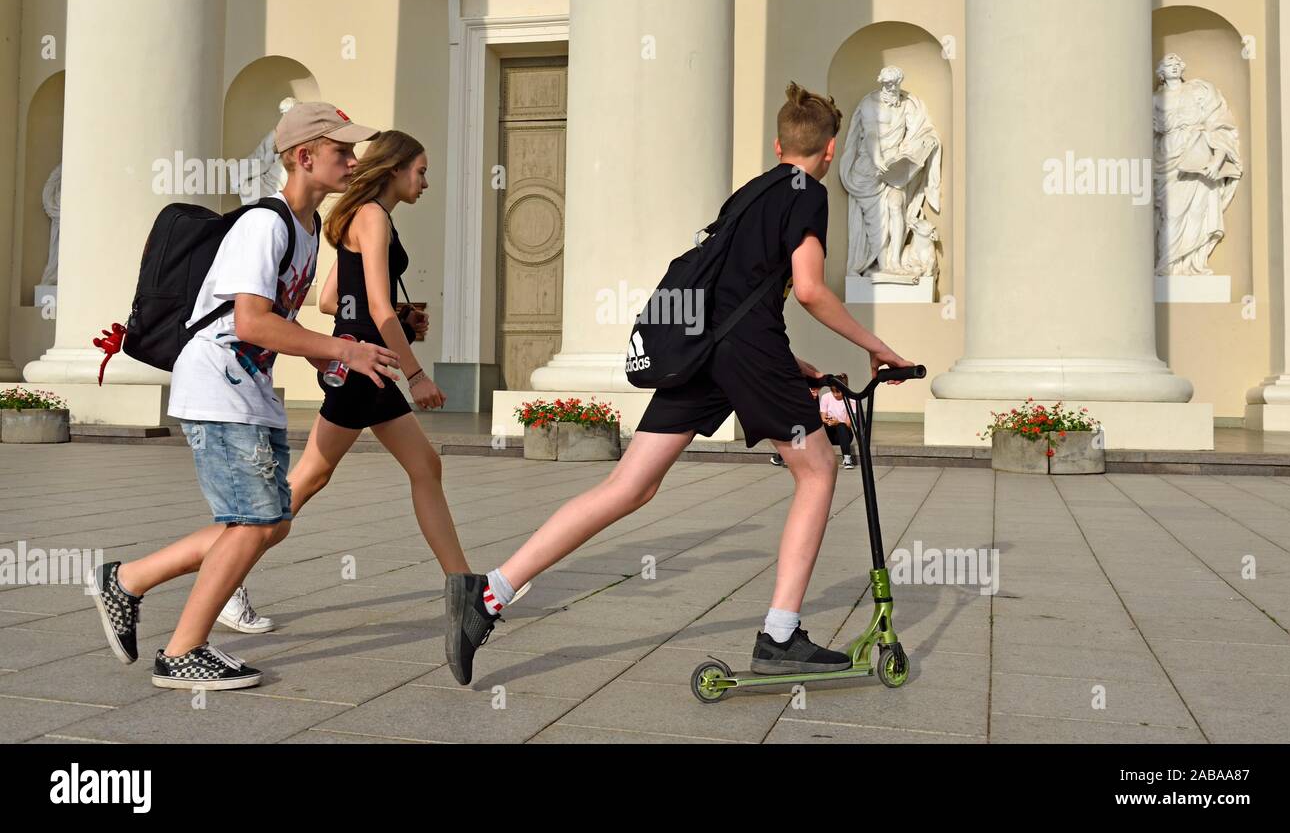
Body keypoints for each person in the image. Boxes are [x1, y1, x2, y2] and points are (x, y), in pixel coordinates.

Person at [443, 82, 913, 685]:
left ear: (778, 144)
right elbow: (810, 288)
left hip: (700, 351)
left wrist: (801, 372)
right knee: (818, 470)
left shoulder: (748, 194)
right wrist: (879, 350)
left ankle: (491, 593)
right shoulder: (807, 194)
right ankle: (779, 635)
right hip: (742, 353)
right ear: (828, 149)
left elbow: (733, 303)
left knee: (630, 484)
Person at [88, 102, 401, 689]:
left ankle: (128, 580)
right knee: (253, 523)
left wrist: (319, 356)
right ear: (304, 157)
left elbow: (275, 318)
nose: (354, 161)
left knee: (267, 522)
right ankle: (183, 651)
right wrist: (344, 350)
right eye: (342, 151)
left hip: (247, 390)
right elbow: (251, 322)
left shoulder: (306, 232)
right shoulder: (265, 224)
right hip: (217, 388)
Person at [229, 131, 474, 630]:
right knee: (307, 482)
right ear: (396, 169)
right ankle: (225, 571)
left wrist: (401, 319)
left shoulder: (360, 217)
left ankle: (465, 587)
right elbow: (376, 309)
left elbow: (331, 302)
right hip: (364, 367)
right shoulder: (373, 217)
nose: (425, 182)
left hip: (362, 365)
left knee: (407, 468)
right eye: (421, 171)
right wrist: (418, 375)